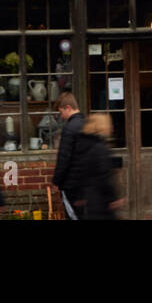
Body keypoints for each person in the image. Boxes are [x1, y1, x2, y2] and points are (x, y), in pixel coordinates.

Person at [72, 113, 121, 219]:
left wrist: (79, 195)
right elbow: (105, 176)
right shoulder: (100, 148)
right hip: (100, 202)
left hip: (88, 200)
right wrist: (112, 198)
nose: (111, 128)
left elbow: (77, 171)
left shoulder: (83, 145)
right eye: (109, 125)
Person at [50, 91, 86, 219]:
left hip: (72, 183)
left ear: (68, 108)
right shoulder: (88, 124)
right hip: (88, 183)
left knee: (73, 215)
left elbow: (64, 158)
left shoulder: (69, 128)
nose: (62, 116)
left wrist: (56, 181)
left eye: (61, 112)